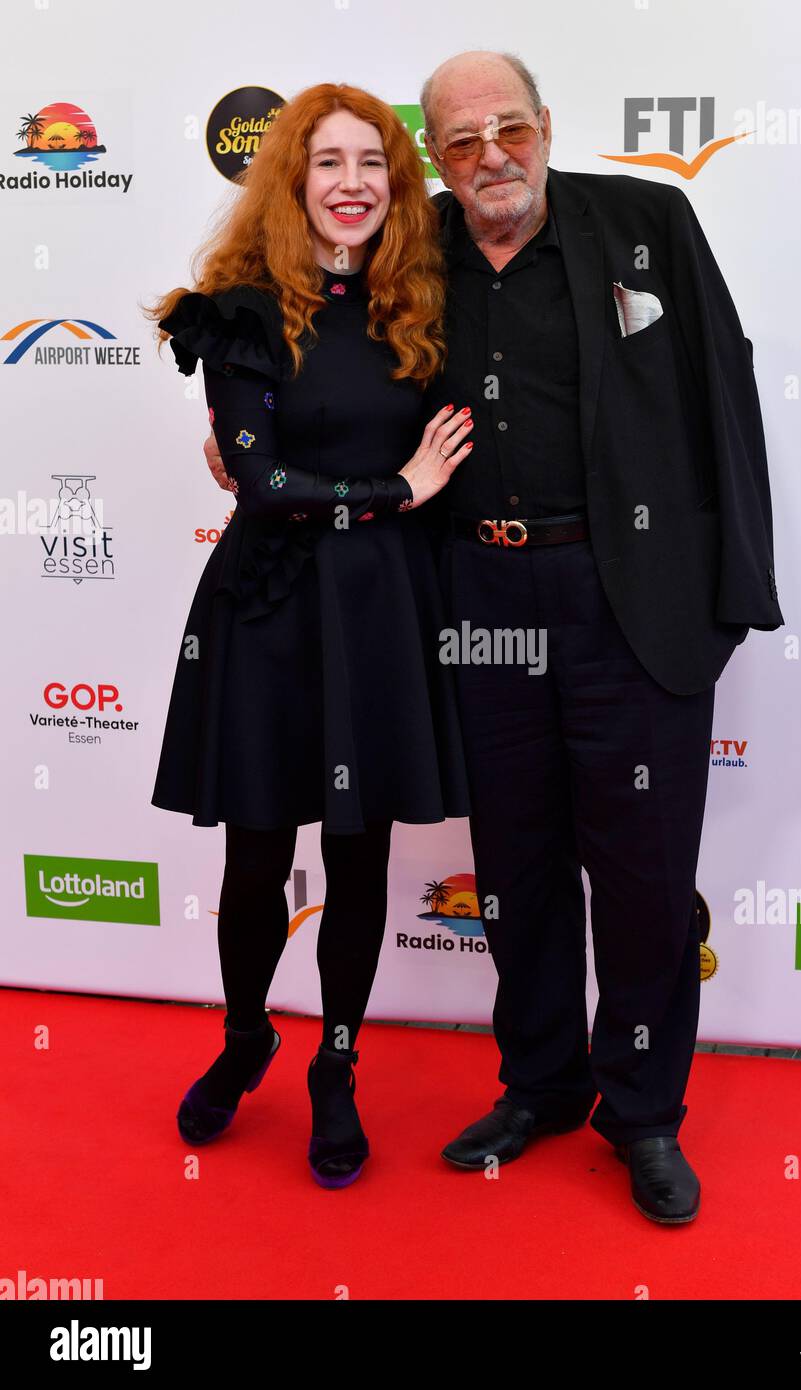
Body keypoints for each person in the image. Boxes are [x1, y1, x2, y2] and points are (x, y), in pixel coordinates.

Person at [204, 51, 784, 1224]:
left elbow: (724, 391)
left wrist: (732, 596)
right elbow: (303, 337)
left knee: (640, 874)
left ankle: (642, 1112)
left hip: (633, 597)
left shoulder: (643, 221)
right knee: (515, 866)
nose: (489, 158)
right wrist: (232, 438)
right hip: (476, 600)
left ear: (543, 125)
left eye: (505, 130)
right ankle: (541, 1084)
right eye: (458, 142)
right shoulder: (413, 247)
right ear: (437, 157)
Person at [147, 82, 473, 1189]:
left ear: (398, 183)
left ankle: (337, 1062)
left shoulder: (422, 305)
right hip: (273, 604)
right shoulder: (240, 307)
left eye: (372, 163)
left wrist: (409, 497)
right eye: (327, 162)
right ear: (291, 181)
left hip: (382, 608)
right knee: (256, 851)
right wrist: (398, 486)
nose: (351, 184)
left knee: (360, 849)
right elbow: (262, 478)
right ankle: (246, 1037)